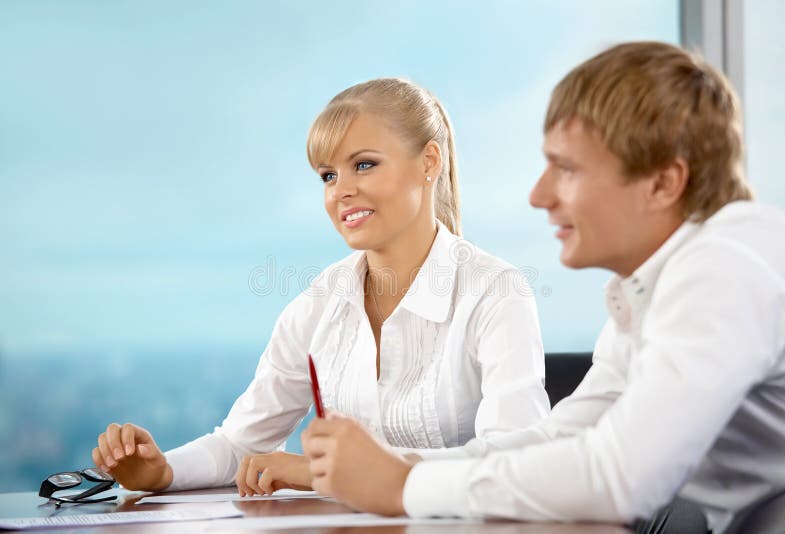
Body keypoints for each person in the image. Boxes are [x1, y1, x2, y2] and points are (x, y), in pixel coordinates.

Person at [301, 42, 785, 533]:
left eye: (566, 169)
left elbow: (616, 477)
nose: (538, 195)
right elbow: (560, 440)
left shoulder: (724, 267)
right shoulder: (651, 293)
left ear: (663, 183)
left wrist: (402, 488)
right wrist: (397, 471)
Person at [91, 78, 551, 496]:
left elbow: (515, 461)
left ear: (428, 161)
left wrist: (330, 472)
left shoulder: (495, 292)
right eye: (328, 175)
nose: (340, 191)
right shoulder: (318, 304)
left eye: (364, 165)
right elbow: (241, 443)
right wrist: (161, 472)